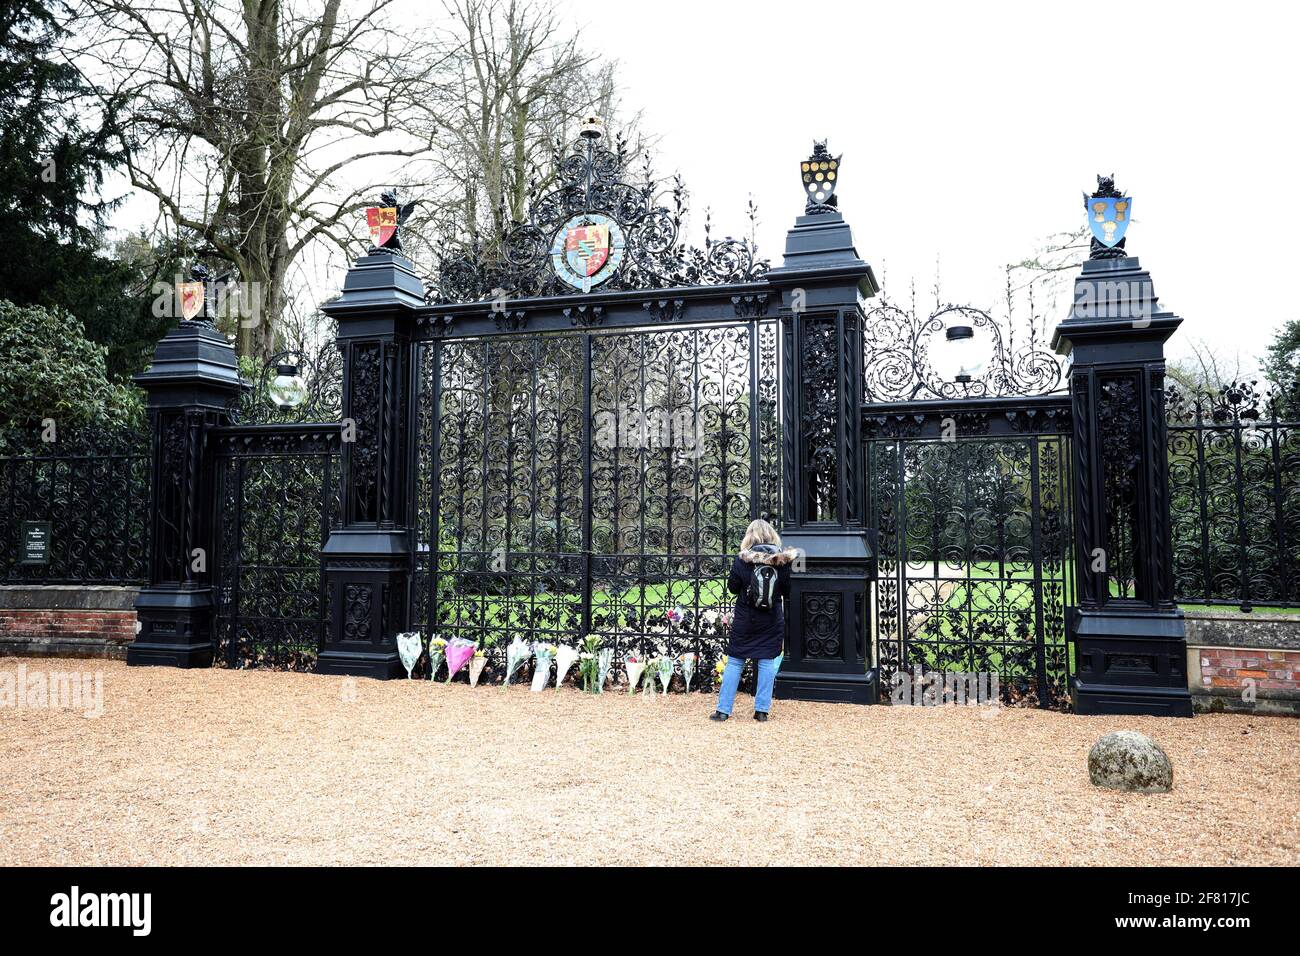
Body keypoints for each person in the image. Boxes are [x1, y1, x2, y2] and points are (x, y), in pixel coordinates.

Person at [711, 518, 798, 722]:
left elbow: (733, 588)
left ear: (750, 536)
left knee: (734, 662)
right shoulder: (782, 561)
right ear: (771, 535)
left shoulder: (742, 560)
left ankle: (723, 711)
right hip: (771, 619)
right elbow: (787, 591)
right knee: (767, 662)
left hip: (745, 619)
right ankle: (761, 711)